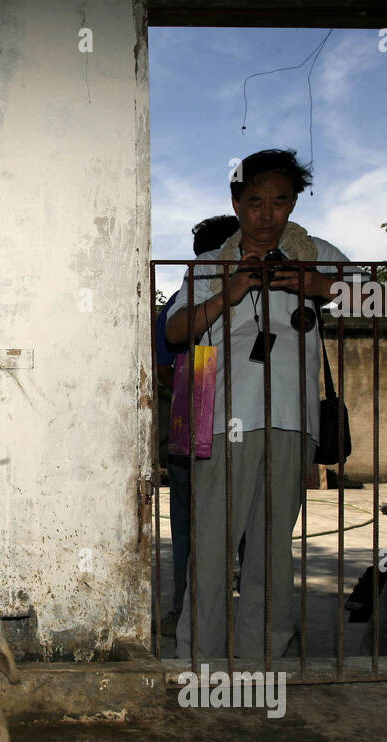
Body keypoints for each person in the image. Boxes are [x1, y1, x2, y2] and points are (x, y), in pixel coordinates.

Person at [165, 148, 353, 659]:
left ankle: (262, 659)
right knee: (212, 544)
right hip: (226, 418)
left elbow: (380, 298)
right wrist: (227, 292)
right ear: (236, 201)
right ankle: (199, 659)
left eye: (279, 201)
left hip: (295, 420)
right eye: (255, 202)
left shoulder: (316, 251)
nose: (267, 214)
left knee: (272, 549)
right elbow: (177, 330)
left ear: (293, 202)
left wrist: (319, 284)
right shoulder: (209, 265)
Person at [155, 215, 240, 637]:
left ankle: (192, 609)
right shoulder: (185, 305)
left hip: (203, 422)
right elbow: (164, 365)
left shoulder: (183, 302)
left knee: (196, 521)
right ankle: (194, 607)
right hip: (203, 424)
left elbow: (163, 369)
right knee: (207, 521)